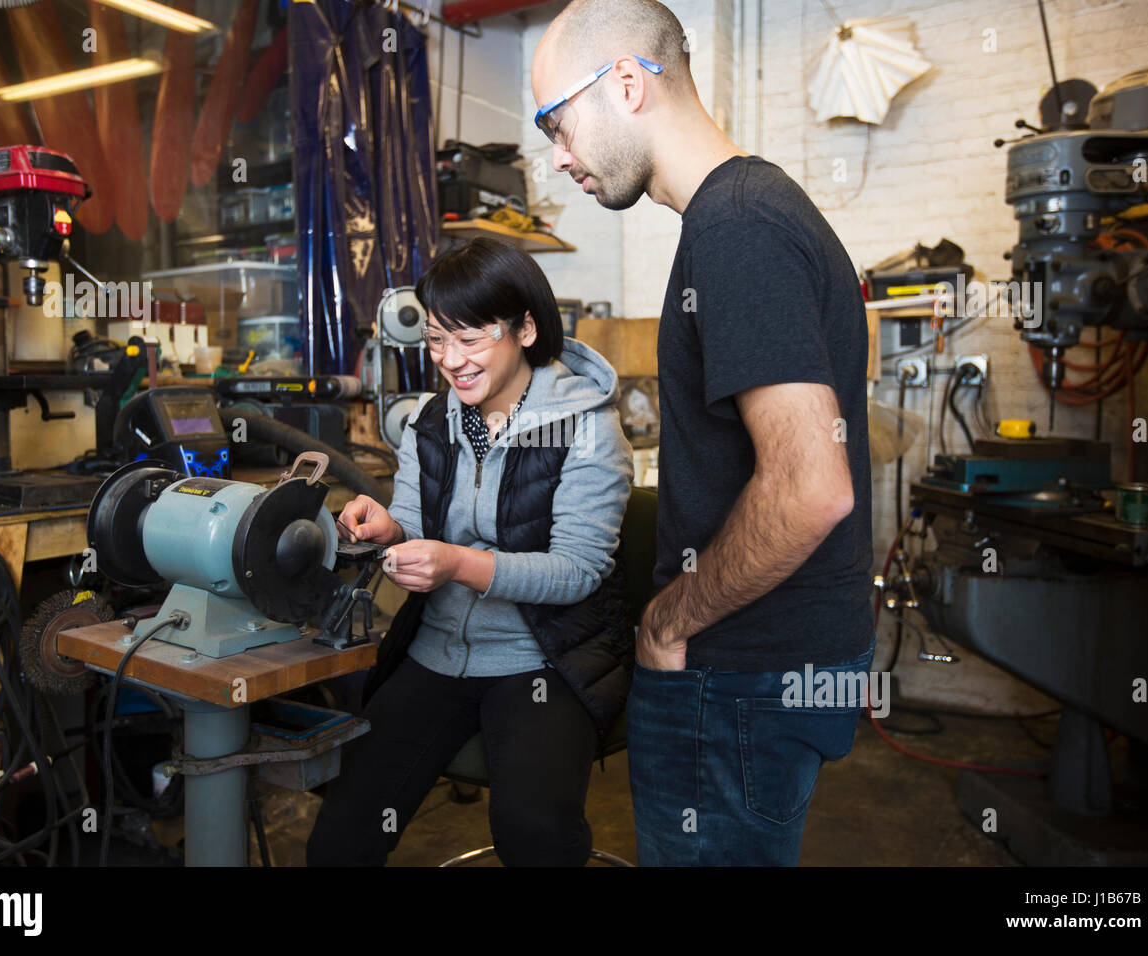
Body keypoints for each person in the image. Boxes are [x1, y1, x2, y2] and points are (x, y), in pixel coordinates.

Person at [532, 0, 875, 865]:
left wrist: (672, 620)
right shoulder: (744, 213)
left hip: (738, 675)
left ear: (625, 83)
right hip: (770, 667)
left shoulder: (737, 226)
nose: (556, 153)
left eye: (555, 120)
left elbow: (811, 485)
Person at [306, 237, 634, 866]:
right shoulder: (431, 421)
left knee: (533, 834)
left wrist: (456, 563)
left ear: (525, 329)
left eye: (472, 339)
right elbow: (411, 517)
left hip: (543, 659)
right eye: (436, 340)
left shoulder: (587, 428)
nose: (452, 361)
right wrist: (387, 528)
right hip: (436, 652)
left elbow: (578, 571)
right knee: (340, 837)